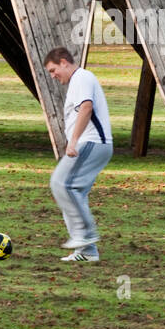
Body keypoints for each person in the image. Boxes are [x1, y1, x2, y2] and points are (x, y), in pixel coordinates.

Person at [43, 47, 113, 262]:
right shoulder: (77, 81)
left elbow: (86, 108)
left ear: (64, 62)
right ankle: (87, 252)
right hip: (92, 144)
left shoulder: (81, 77)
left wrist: (73, 141)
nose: (53, 75)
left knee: (61, 184)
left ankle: (86, 234)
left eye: (54, 70)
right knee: (74, 195)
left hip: (92, 142)